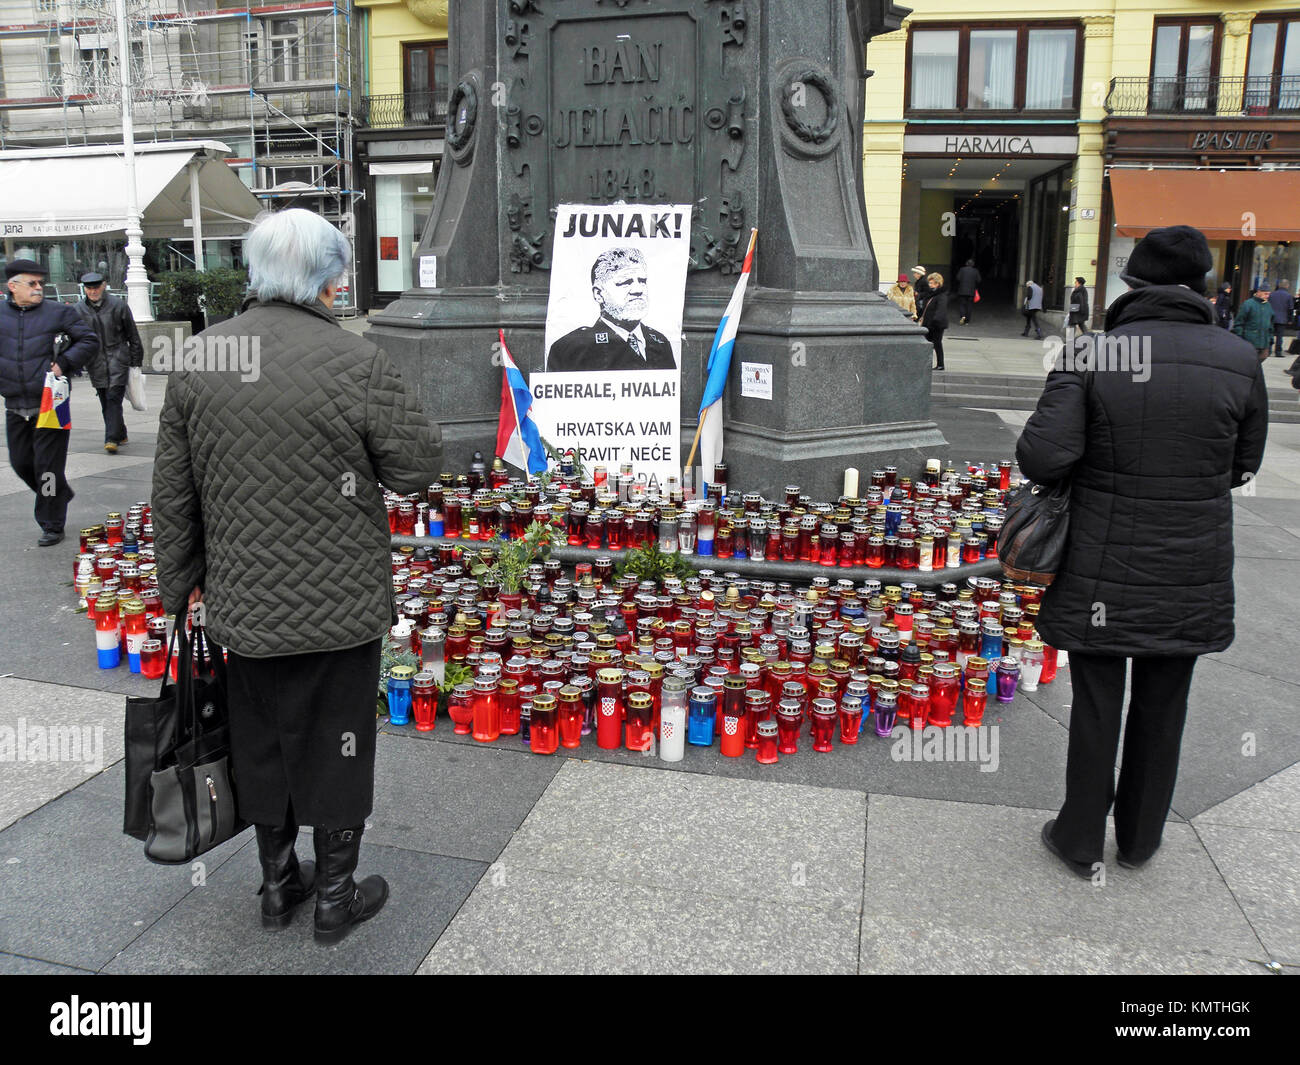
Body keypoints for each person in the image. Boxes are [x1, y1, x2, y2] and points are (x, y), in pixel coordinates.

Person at [151, 209, 443, 944]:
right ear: (328, 276)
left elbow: (172, 492)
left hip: (243, 604)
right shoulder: (355, 359)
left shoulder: (204, 359)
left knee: (260, 739)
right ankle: (336, 896)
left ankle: (278, 886)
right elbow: (416, 469)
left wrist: (178, 584)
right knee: (338, 740)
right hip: (338, 605)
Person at [1017, 224, 1268, 879]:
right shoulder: (1241, 359)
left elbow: (1043, 456)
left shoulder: (1091, 355)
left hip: (1100, 564)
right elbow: (1245, 464)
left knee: (1098, 700)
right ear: (1205, 288)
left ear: (1134, 285)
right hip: (1191, 567)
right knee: (1165, 704)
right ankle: (1139, 840)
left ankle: (1078, 837)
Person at [1, 258, 96, 546]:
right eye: (32, 283)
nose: (39, 288)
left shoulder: (57, 313)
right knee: (21, 464)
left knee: (48, 470)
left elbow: (89, 341)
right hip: (15, 404)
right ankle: (58, 494)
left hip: (50, 405)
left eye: (41, 283)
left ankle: (52, 523)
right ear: (12, 286)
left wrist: (64, 363)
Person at [546, 247, 676, 371]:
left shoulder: (660, 342)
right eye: (625, 282)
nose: (638, 290)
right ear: (599, 294)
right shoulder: (571, 349)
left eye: (642, 281)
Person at [73, 271, 143, 454]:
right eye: (89, 288)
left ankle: (111, 438)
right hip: (95, 361)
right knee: (105, 399)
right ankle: (121, 432)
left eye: (96, 287)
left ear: (103, 285)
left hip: (118, 358)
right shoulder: (78, 310)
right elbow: (75, 337)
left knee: (113, 397)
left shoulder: (118, 306)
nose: (93, 291)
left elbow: (132, 335)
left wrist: (136, 361)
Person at [1231, 285, 1273, 361]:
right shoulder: (1248, 304)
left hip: (1264, 342)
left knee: (1261, 358)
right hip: (1250, 340)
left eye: (1269, 294)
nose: (1267, 296)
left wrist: (1270, 339)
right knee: (1248, 361)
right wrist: (1239, 336)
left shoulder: (1268, 306)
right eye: (1265, 293)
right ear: (1259, 292)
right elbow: (1239, 322)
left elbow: (1270, 324)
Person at [919, 271, 948, 371]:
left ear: (937, 283)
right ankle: (928, 363)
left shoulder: (941, 296)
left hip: (936, 324)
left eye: (932, 283)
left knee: (937, 344)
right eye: (930, 283)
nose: (930, 285)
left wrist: (935, 321)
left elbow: (941, 310)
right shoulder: (932, 294)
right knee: (930, 344)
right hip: (930, 323)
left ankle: (940, 364)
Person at [1268, 279, 1294, 357]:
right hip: (1282, 318)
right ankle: (1278, 352)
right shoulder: (1288, 296)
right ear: (1287, 286)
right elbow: (1290, 309)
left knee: (1270, 334)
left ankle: (1268, 350)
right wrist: (1290, 319)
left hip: (1271, 318)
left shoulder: (1272, 294)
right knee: (1280, 336)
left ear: (1279, 285)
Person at [955, 259, 981, 324]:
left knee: (962, 305)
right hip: (971, 292)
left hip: (962, 291)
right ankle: (967, 321)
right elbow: (979, 280)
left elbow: (958, 278)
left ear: (966, 263)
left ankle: (963, 316)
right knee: (969, 306)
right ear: (973, 265)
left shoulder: (962, 269)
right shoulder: (975, 271)